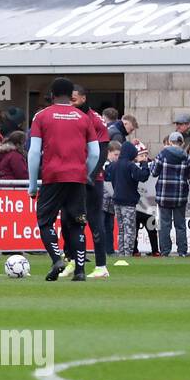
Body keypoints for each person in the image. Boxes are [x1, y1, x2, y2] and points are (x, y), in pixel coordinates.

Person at [27, 77, 98, 281]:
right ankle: (80, 271)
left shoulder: (42, 116)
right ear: (71, 95)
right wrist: (85, 172)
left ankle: (57, 258)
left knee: (45, 221)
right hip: (77, 177)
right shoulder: (83, 118)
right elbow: (93, 153)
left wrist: (32, 185)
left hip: (53, 176)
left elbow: (33, 152)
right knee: (77, 223)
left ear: (52, 94)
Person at [71, 83, 112, 278]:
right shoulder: (70, 118)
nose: (71, 103)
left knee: (95, 221)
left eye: (74, 99)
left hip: (92, 179)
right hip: (72, 177)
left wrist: (92, 174)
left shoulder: (95, 120)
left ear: (83, 98)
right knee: (69, 220)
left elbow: (103, 151)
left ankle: (101, 265)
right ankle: (72, 261)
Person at [151, 132, 190, 257]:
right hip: (180, 196)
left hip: (164, 195)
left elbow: (154, 172)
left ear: (169, 142)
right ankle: (182, 251)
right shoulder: (186, 157)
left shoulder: (162, 154)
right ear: (182, 143)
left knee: (165, 225)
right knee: (180, 225)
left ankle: (165, 251)